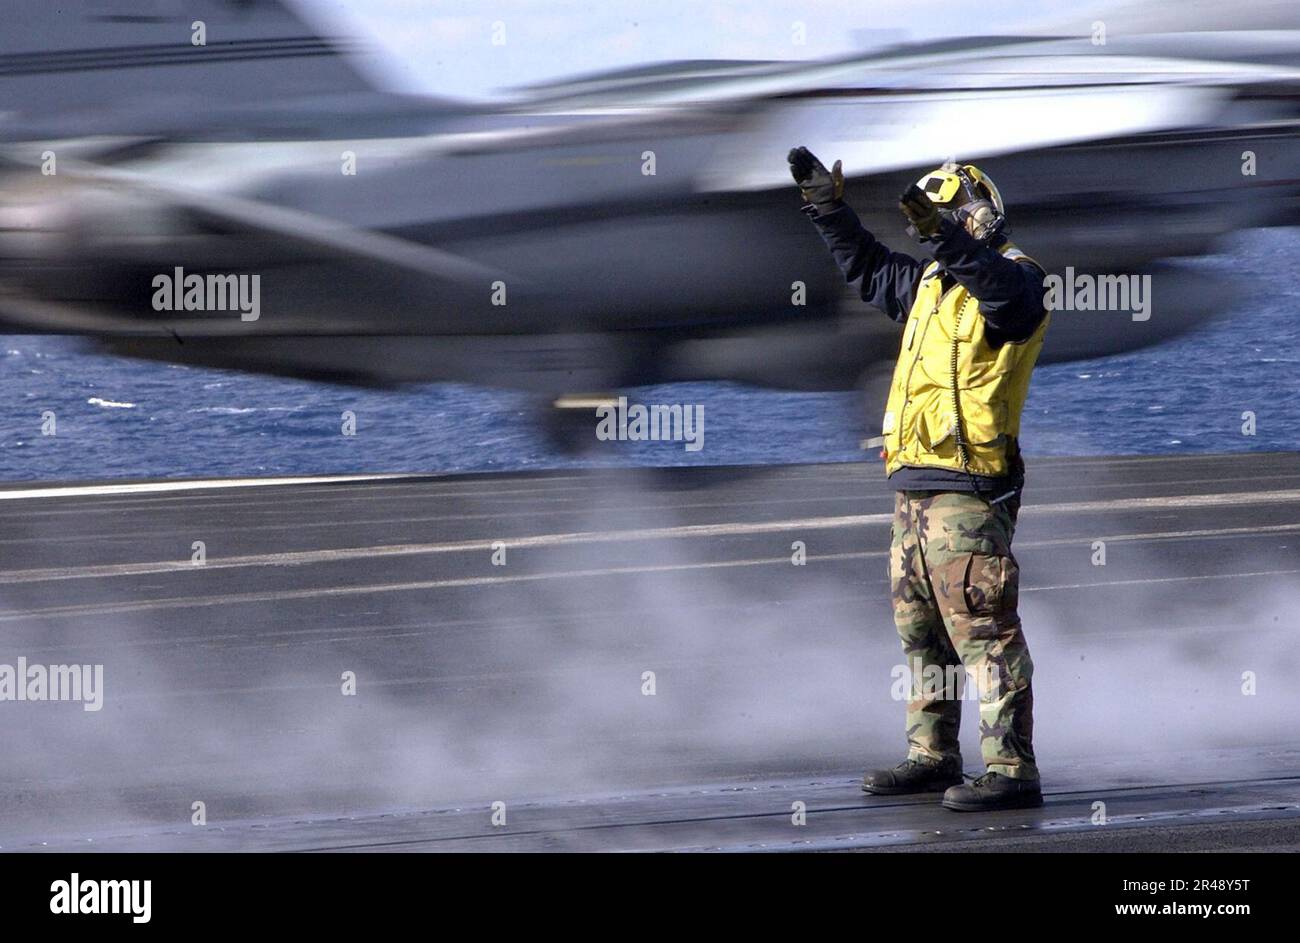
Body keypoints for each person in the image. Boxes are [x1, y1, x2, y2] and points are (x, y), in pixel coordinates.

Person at [788, 147, 1049, 811]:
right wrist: (828, 209)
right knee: (922, 632)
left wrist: (944, 238)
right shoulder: (931, 287)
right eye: (935, 218)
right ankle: (932, 755)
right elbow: (869, 268)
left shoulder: (1018, 282)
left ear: (979, 215)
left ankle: (1012, 770)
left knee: (983, 632)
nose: (942, 227)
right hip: (911, 488)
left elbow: (994, 287)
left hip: (969, 488)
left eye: (951, 214)